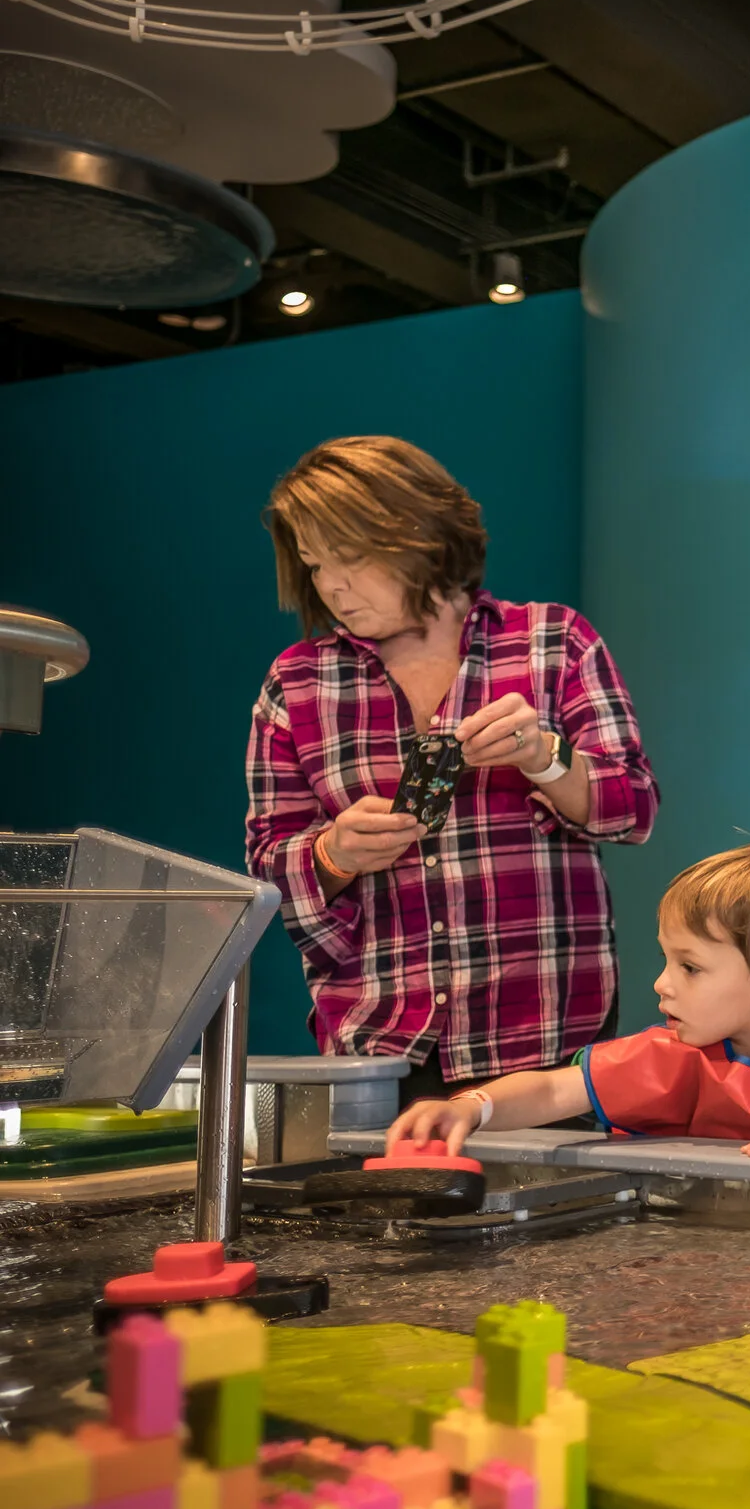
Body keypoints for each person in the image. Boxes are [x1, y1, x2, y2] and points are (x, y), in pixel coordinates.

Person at [245, 436, 660, 1109]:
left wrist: (546, 758)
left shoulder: (554, 641)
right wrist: (333, 852)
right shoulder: (296, 682)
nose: (332, 587)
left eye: (351, 560)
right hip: (381, 1047)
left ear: (420, 536)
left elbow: (633, 807)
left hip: (549, 1035)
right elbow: (267, 869)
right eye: (316, 565)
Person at [391, 839, 750, 1156]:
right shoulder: (663, 1056)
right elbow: (548, 1089)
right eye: (668, 959)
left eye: (690, 967)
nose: (661, 983)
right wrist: (470, 1108)